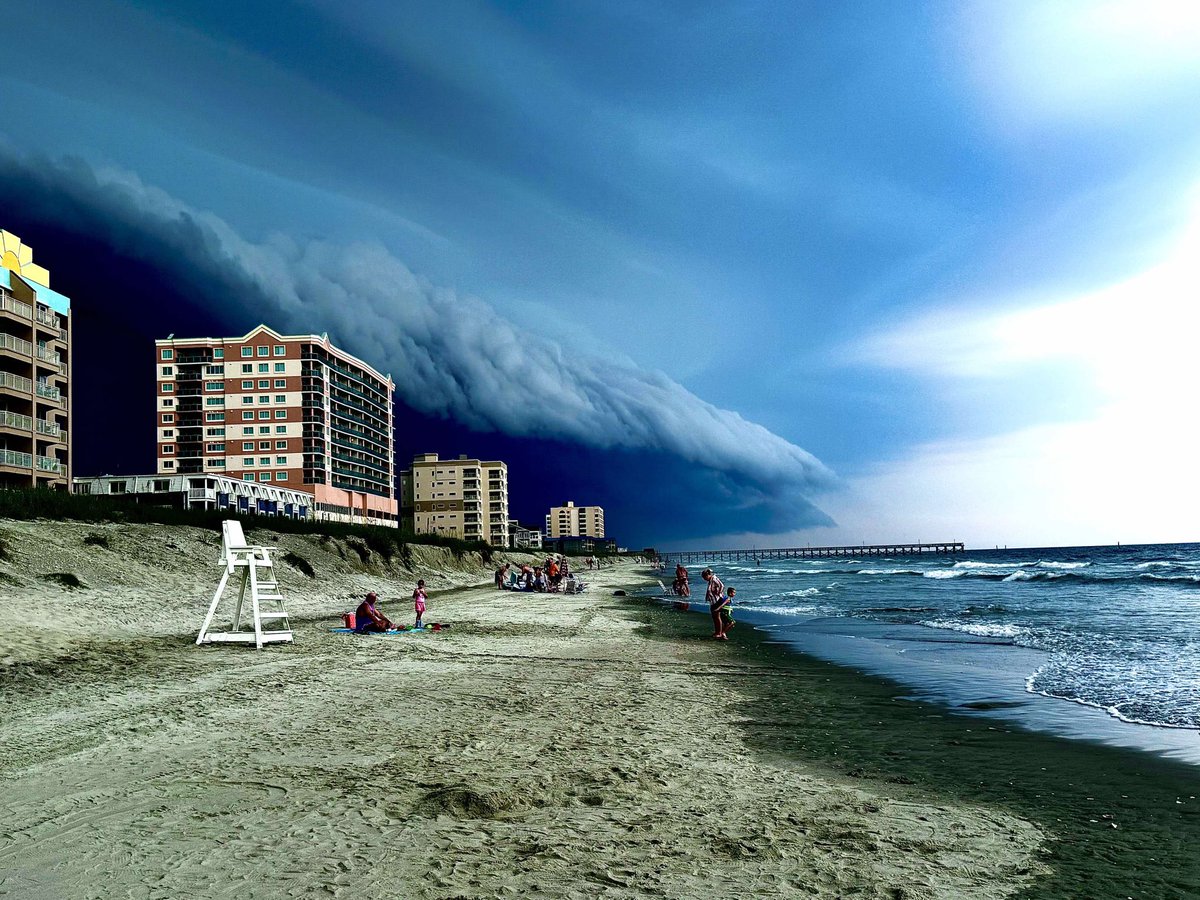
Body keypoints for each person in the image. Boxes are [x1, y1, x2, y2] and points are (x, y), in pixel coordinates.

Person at [701, 568, 726, 640]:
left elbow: (722, 586)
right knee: (714, 617)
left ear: (708, 575)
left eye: (704, 577)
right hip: (713, 601)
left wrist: (718, 592)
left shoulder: (714, 579)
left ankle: (719, 633)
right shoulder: (711, 580)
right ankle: (717, 632)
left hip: (717, 600)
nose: (704, 579)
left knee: (717, 617)